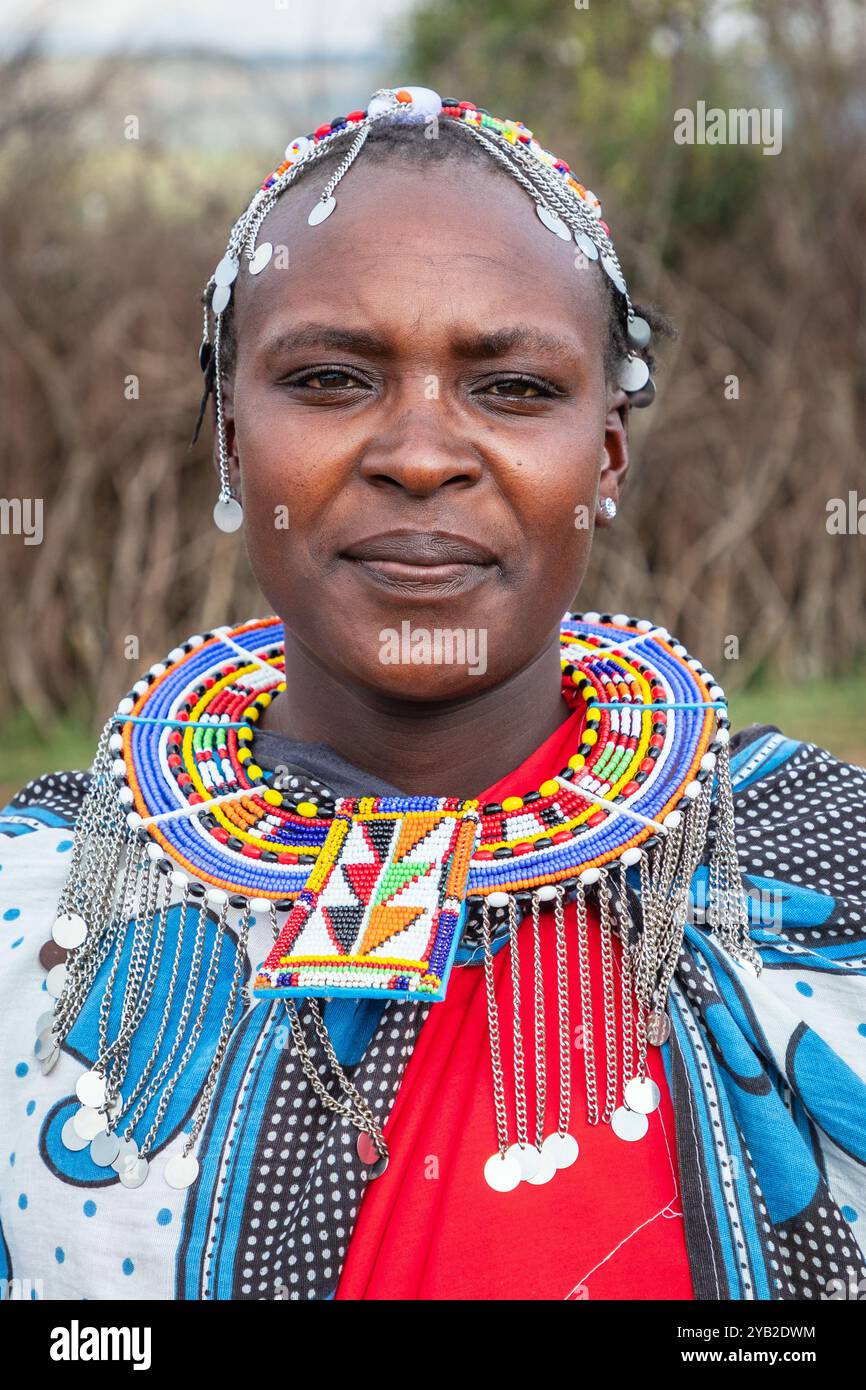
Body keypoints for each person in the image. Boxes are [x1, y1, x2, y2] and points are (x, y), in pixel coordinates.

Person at [2, 86, 864, 1303]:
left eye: (510, 388)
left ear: (605, 452)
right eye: (331, 379)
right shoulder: (40, 896)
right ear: (233, 442)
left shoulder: (826, 875)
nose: (419, 453)